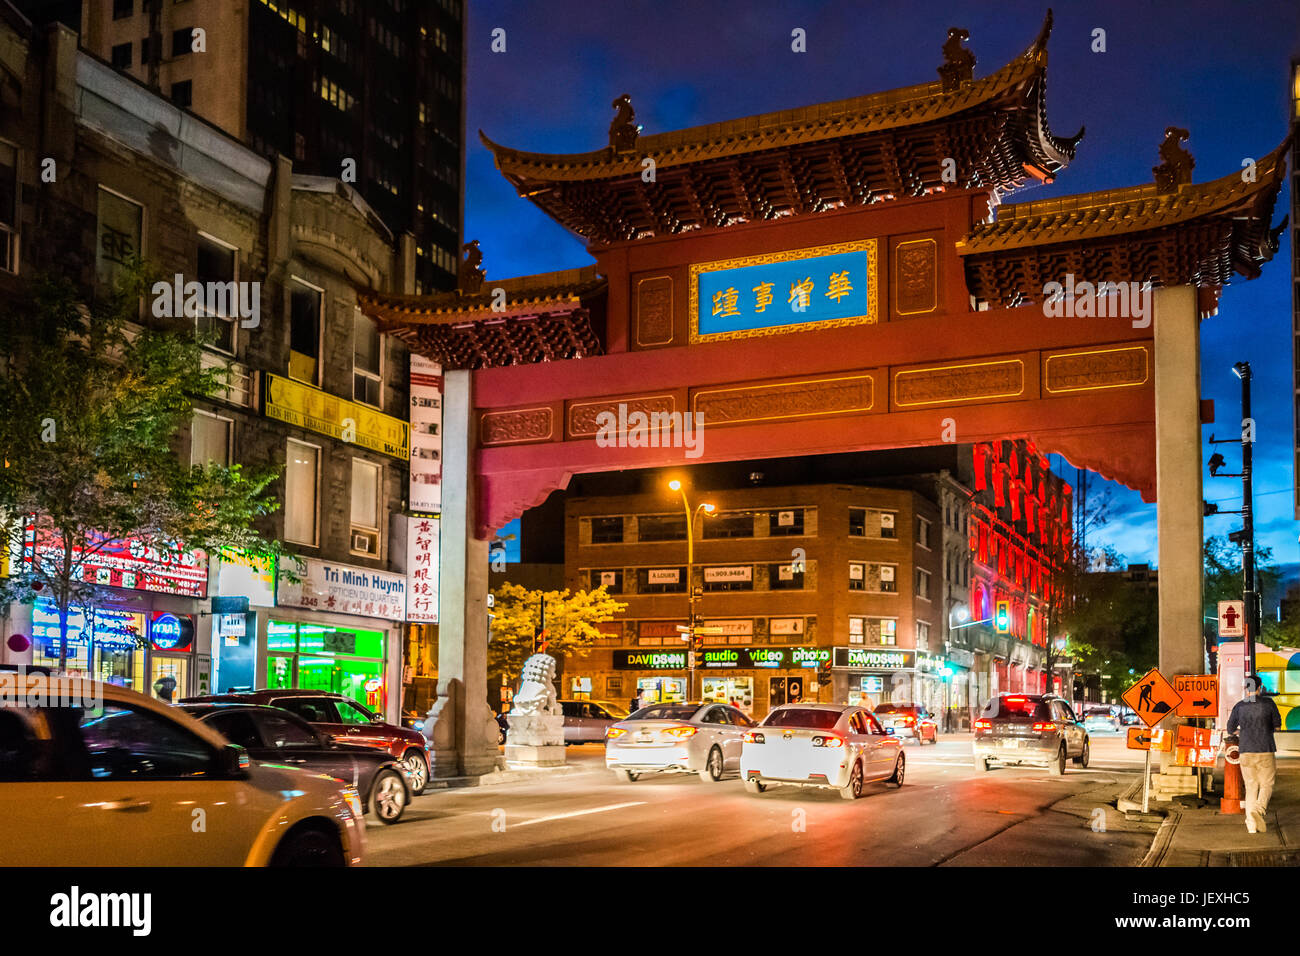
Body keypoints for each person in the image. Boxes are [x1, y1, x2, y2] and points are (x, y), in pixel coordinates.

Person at [1227, 675, 1283, 834]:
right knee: (1267, 784)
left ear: (1246, 688)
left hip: (1246, 750)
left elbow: (1231, 728)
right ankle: (1258, 810)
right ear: (1260, 687)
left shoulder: (1239, 706)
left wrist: (1243, 732)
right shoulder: (1268, 704)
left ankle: (1252, 827)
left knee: (1251, 787)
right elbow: (1277, 726)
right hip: (1265, 748)